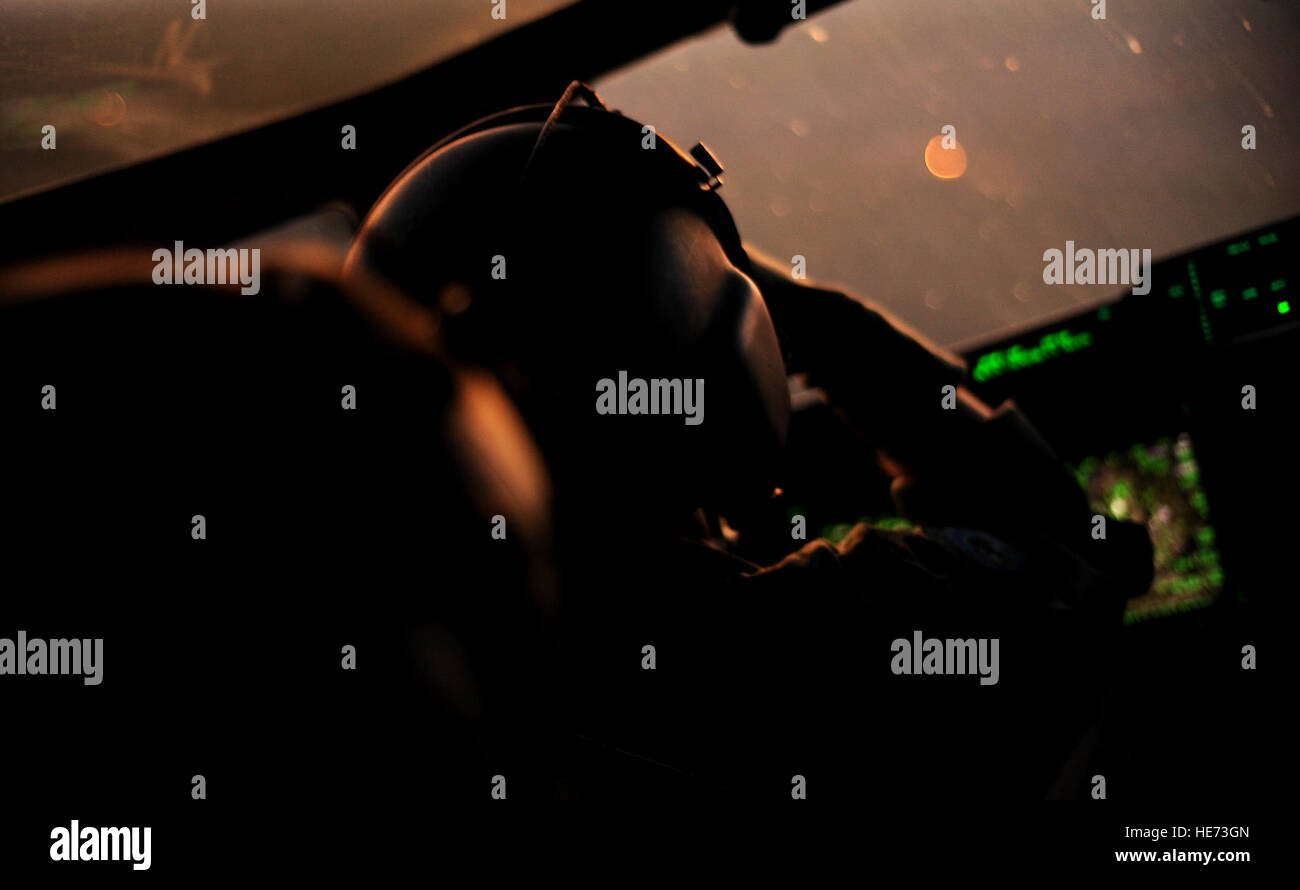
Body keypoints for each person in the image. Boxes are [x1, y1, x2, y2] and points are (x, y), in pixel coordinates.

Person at [347, 83, 1155, 800]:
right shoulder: (817, 640)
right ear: (730, 354)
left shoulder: (389, 693)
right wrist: (814, 316)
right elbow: (1074, 553)